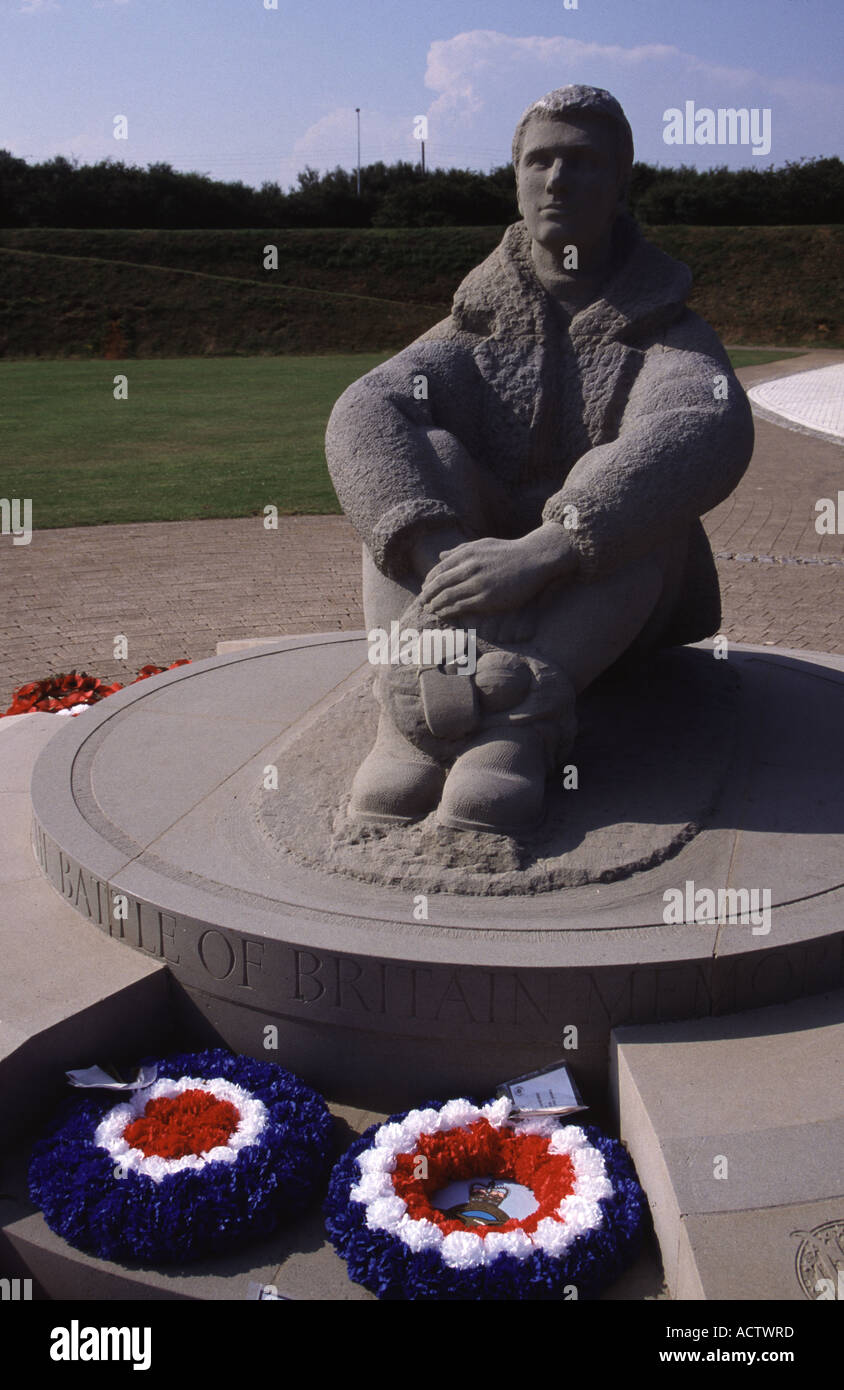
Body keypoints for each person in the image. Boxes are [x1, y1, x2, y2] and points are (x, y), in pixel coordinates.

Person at [325, 85, 754, 835]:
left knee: (630, 492)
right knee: (420, 460)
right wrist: (444, 558)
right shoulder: (475, 326)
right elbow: (366, 408)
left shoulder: (667, 329)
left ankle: (517, 729)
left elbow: (704, 419)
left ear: (620, 182)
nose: (558, 179)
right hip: (459, 597)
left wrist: (546, 550)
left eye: (583, 162)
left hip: (615, 606)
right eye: (541, 160)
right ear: (517, 180)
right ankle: (418, 712)